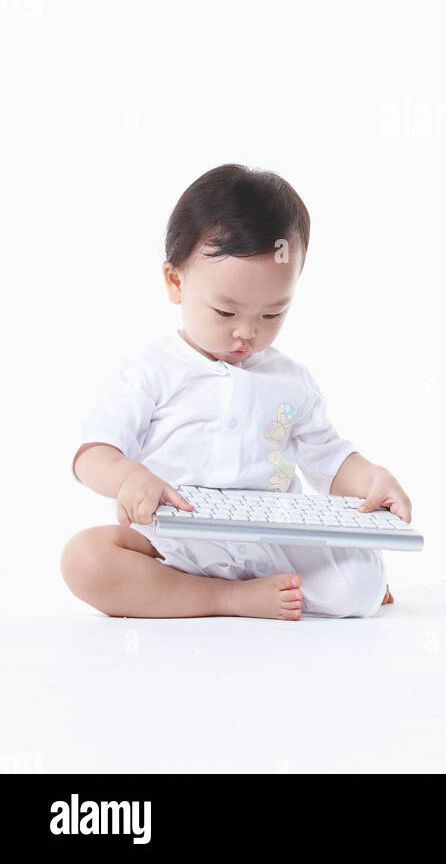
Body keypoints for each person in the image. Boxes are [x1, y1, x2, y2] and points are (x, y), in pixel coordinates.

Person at [61, 163, 410, 620]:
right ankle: (224, 597)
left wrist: (372, 480)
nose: (246, 333)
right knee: (85, 560)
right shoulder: (149, 370)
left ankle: (277, 585)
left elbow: (330, 460)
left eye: (272, 315)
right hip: (173, 540)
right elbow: (92, 454)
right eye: (225, 312)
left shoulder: (291, 381)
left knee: (359, 587)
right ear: (175, 281)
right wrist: (128, 478)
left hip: (270, 540)